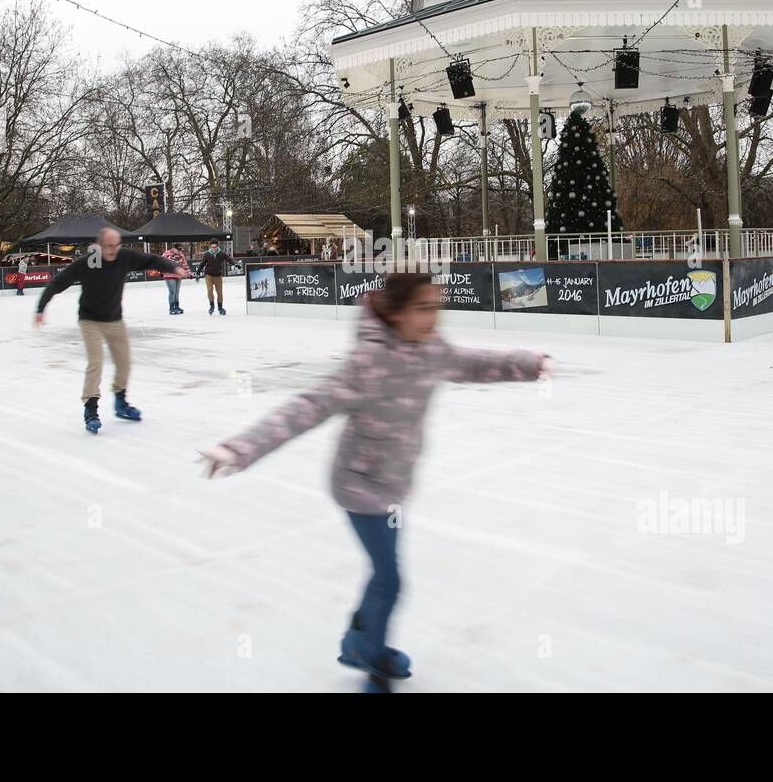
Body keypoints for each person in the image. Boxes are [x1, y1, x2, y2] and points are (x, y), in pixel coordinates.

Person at [197, 272, 553, 691]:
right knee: (390, 579)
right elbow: (309, 406)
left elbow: (474, 363)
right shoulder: (368, 362)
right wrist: (240, 449)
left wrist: (529, 364)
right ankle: (375, 664)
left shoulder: (432, 350)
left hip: (395, 486)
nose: (431, 318)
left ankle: (358, 640)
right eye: (421, 308)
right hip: (358, 485)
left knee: (381, 573)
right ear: (395, 312)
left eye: (435, 307)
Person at [34, 228, 180, 433]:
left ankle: (120, 402)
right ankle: (91, 409)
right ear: (99, 245)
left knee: (124, 362)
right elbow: (58, 282)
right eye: (110, 246)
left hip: (114, 319)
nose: (114, 250)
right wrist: (41, 308)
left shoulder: (124, 256)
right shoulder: (87, 262)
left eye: (117, 245)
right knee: (96, 362)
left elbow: (151, 260)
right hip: (90, 320)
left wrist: (173, 267)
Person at [200, 239, 235, 316]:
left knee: (219, 292)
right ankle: (212, 306)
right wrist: (198, 272)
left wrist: (234, 264)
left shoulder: (222, 253)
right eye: (212, 247)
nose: (214, 248)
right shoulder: (207, 254)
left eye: (215, 247)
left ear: (217, 246)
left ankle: (220, 307)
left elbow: (229, 259)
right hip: (208, 275)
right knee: (209, 290)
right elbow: (203, 263)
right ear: (210, 246)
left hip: (218, 275)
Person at [161, 245, 191, 315]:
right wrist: (163, 272)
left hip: (178, 275)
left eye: (180, 250)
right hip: (169, 275)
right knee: (172, 291)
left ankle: (176, 306)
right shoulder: (166, 254)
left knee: (177, 292)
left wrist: (189, 273)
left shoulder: (181, 255)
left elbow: (185, 265)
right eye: (178, 250)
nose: (179, 252)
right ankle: (171, 308)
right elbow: (161, 263)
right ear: (174, 249)